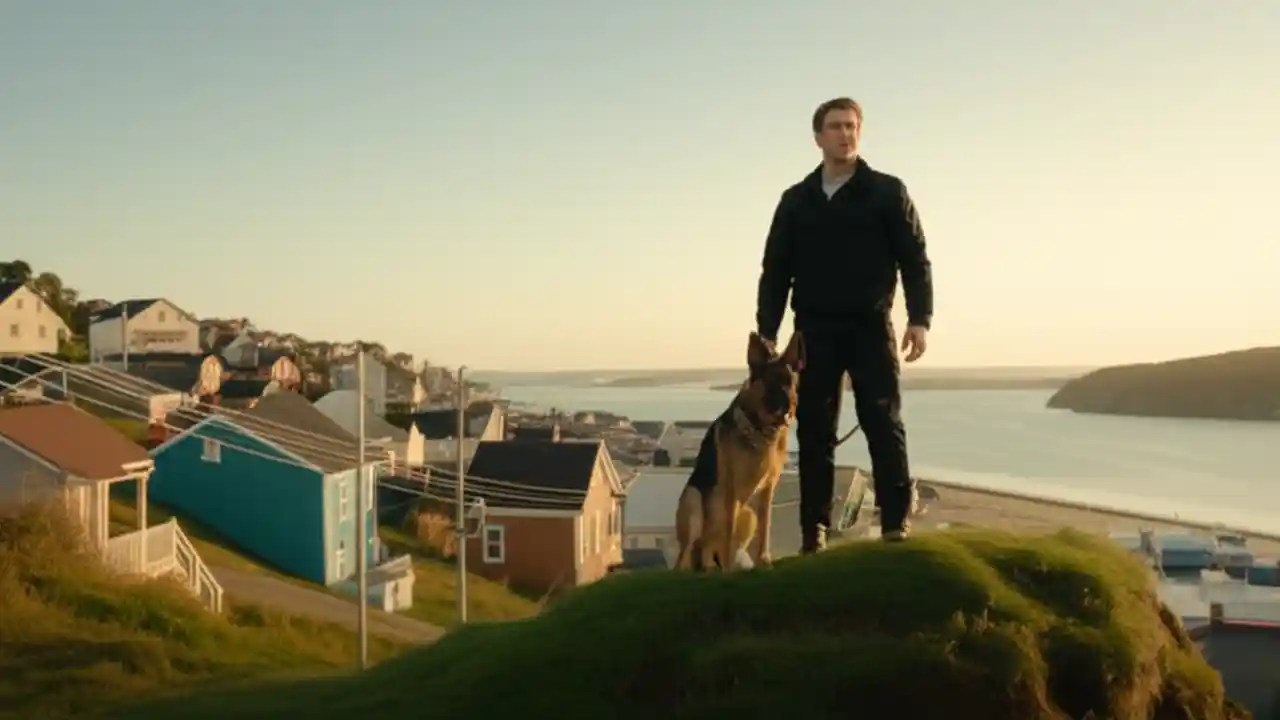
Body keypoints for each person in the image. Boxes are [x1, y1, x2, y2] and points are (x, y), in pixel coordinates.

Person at [755, 97, 934, 550]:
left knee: (882, 421)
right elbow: (775, 269)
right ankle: (813, 531)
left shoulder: (887, 192)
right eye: (835, 126)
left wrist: (920, 319)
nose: (845, 134)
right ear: (818, 137)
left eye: (852, 126)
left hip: (871, 326)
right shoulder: (796, 201)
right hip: (812, 331)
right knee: (815, 431)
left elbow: (915, 259)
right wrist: (767, 328)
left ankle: (895, 522)